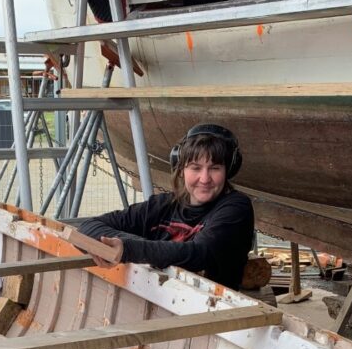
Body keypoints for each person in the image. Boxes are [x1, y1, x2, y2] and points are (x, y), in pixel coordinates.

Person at [77, 124, 254, 290]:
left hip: (214, 313)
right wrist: (124, 247)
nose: (205, 178)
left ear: (227, 171)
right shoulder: (162, 206)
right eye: (195, 168)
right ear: (181, 168)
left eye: (214, 168)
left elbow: (199, 254)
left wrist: (129, 249)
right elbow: (87, 227)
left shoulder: (236, 208)